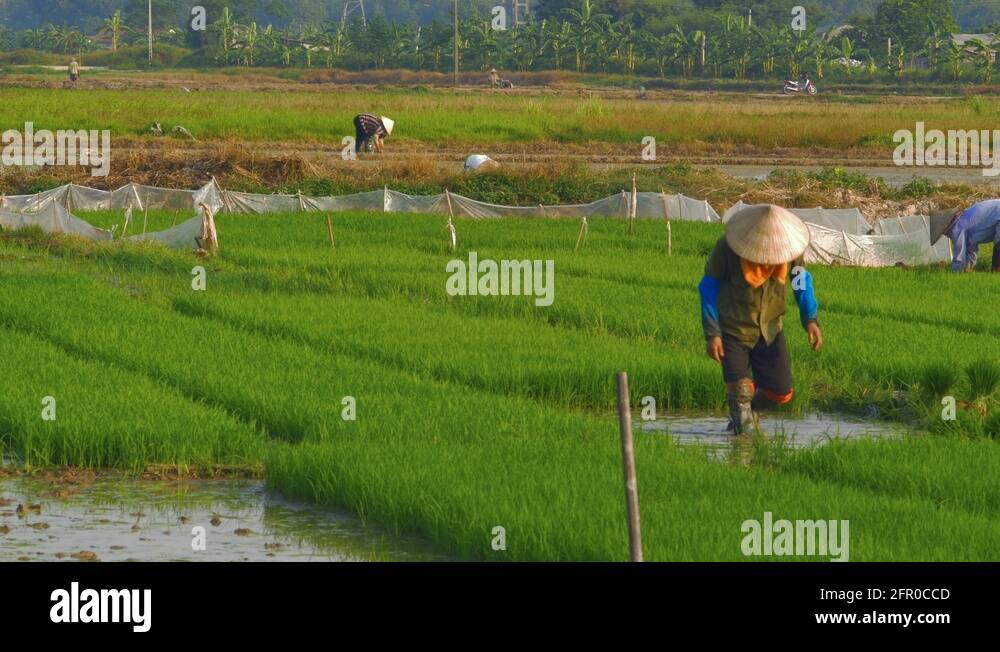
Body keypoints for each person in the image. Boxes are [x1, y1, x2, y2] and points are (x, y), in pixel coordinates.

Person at [698, 204, 823, 435]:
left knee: (781, 393)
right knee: (741, 390)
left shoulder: (790, 254)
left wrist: (810, 319)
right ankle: (743, 443)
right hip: (733, 330)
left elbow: (801, 284)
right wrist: (712, 334)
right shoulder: (728, 249)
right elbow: (708, 289)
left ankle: (745, 412)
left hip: (771, 330)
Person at [930, 201, 1000, 272]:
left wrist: (955, 272)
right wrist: (968, 268)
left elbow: (959, 253)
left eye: (944, 233)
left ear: (945, 228)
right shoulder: (965, 221)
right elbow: (971, 249)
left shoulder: (957, 228)